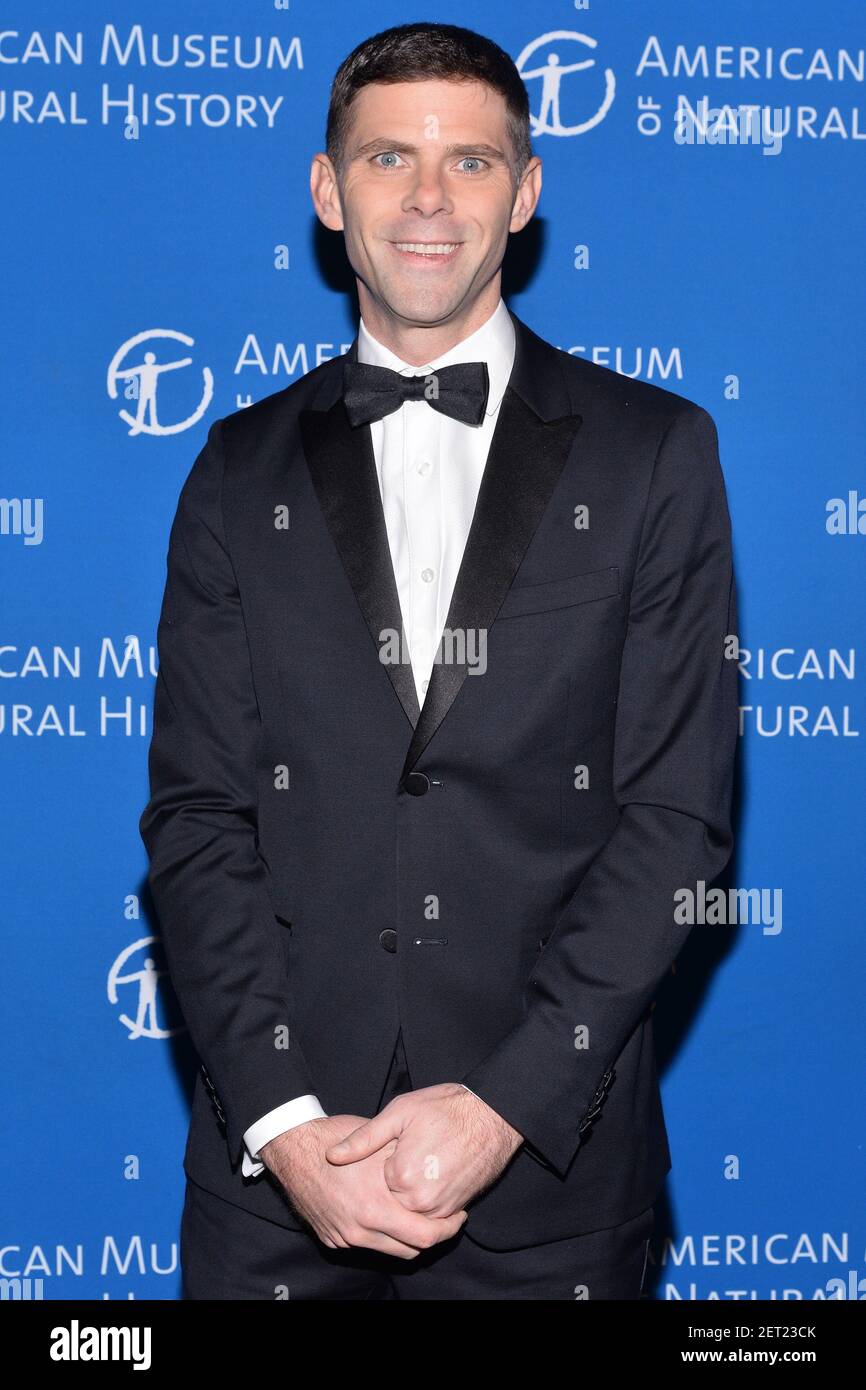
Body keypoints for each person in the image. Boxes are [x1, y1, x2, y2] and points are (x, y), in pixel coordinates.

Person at [140, 21, 739, 1301]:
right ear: (325, 189)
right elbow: (198, 820)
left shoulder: (650, 455)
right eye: (386, 159)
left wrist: (504, 1106)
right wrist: (287, 1129)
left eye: (468, 163)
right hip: (276, 1202)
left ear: (522, 195)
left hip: (552, 1191)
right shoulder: (235, 471)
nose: (425, 199)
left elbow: (676, 820)